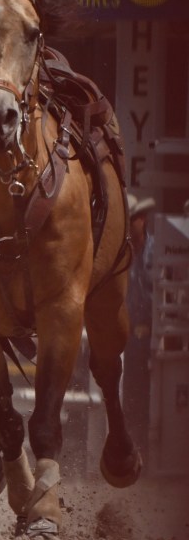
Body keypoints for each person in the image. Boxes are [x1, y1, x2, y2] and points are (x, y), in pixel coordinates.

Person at [123, 193, 156, 463]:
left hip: (151, 335)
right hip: (133, 337)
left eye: (131, 219)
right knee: (132, 394)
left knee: (147, 396)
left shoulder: (154, 253)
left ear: (141, 220)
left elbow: (155, 293)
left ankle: (146, 450)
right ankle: (135, 451)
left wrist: (148, 323)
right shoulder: (127, 254)